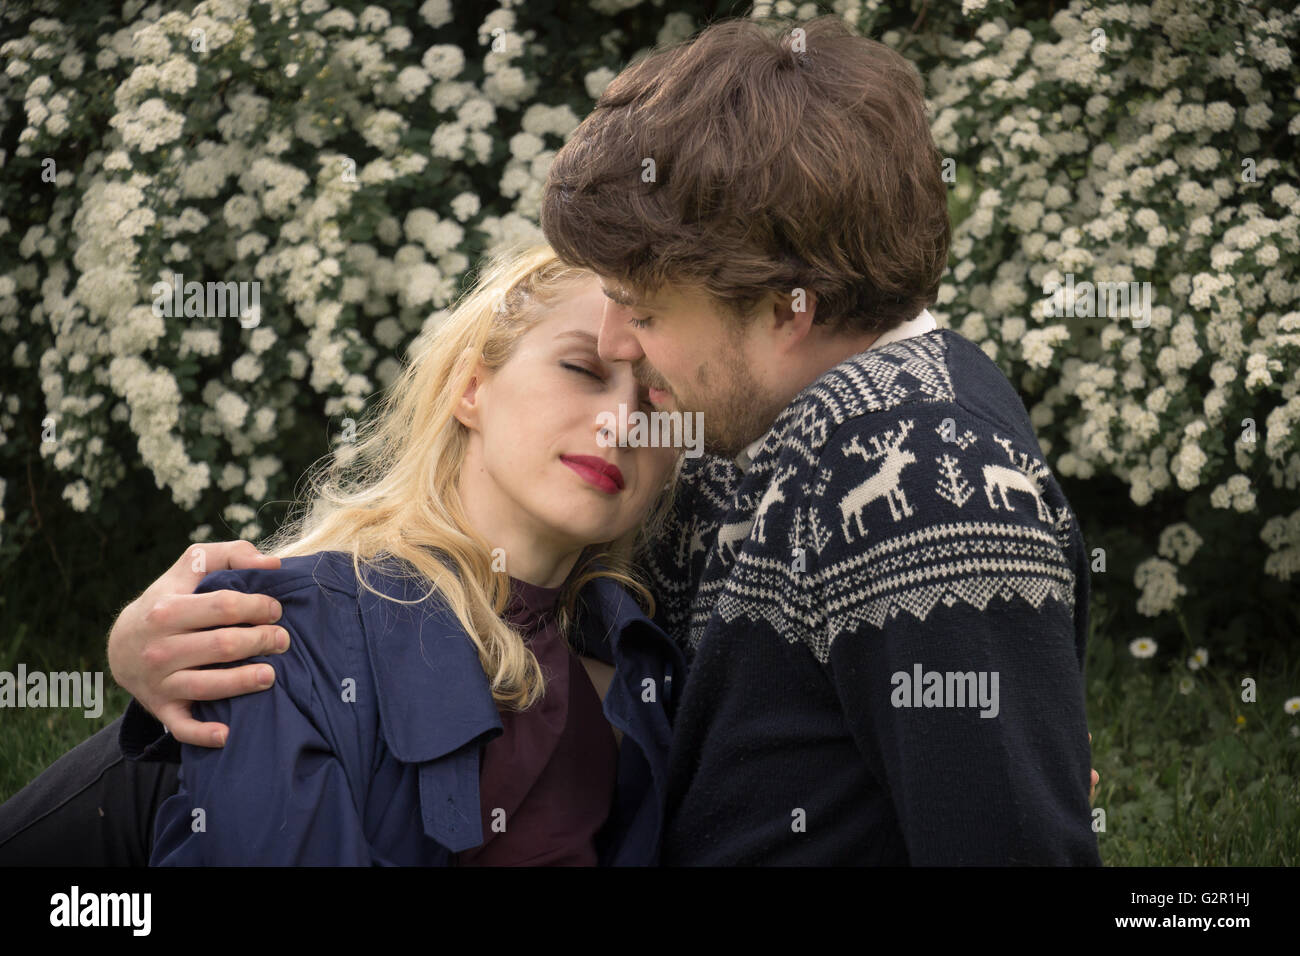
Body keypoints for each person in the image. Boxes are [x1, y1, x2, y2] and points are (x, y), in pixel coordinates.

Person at [3, 14, 1100, 866]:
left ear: (786, 309)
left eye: (647, 306)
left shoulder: (923, 482)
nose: (625, 357)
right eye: (586, 352)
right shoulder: (740, 439)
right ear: (469, 390)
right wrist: (140, 658)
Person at [0, 244, 685, 865]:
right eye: (581, 369)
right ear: (471, 389)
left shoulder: (631, 697)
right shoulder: (282, 627)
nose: (621, 422)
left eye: (657, 402)